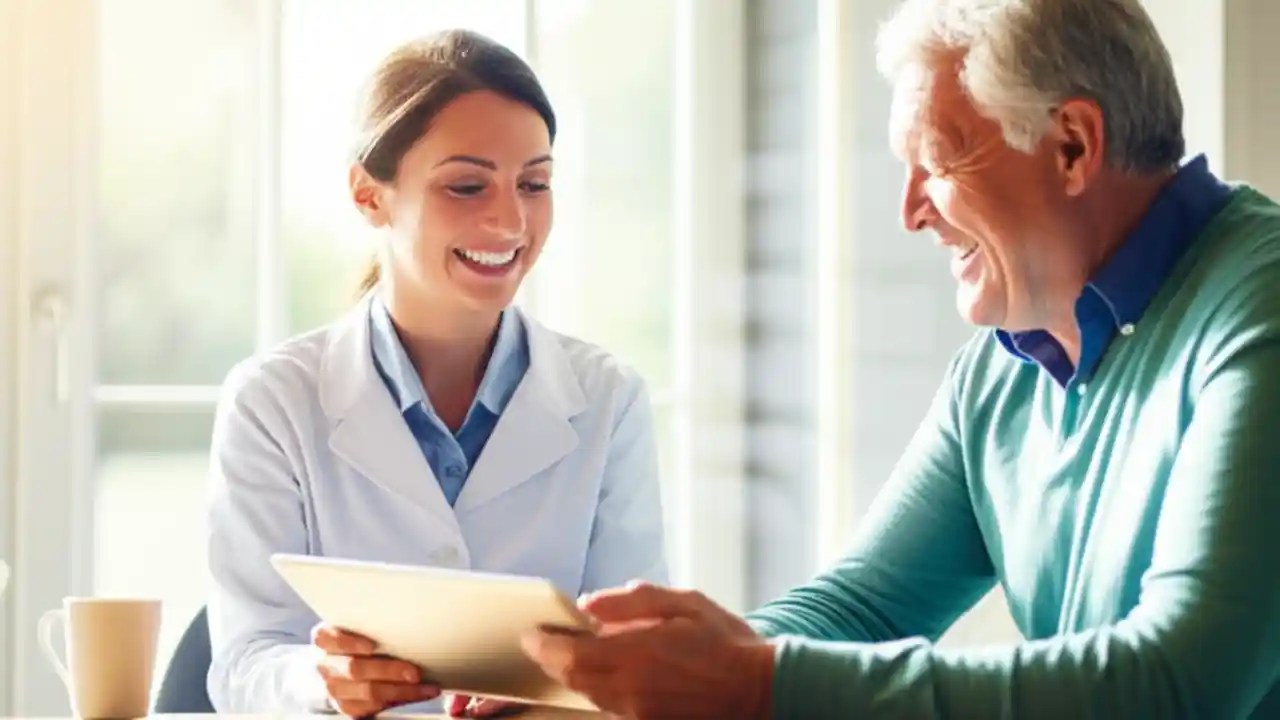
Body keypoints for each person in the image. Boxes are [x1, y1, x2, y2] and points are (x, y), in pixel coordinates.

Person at [520, 0, 1280, 717]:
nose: (911, 212)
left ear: (1073, 146)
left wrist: (753, 686)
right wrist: (604, 680)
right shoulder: (1001, 369)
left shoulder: (1259, 307)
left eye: (938, 164)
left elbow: (1180, 683)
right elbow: (862, 607)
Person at [205, 29, 667, 718]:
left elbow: (635, 655)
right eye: (467, 185)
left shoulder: (608, 400)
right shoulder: (273, 401)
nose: (511, 219)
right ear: (370, 196)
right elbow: (243, 665)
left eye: (534, 183)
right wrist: (322, 680)